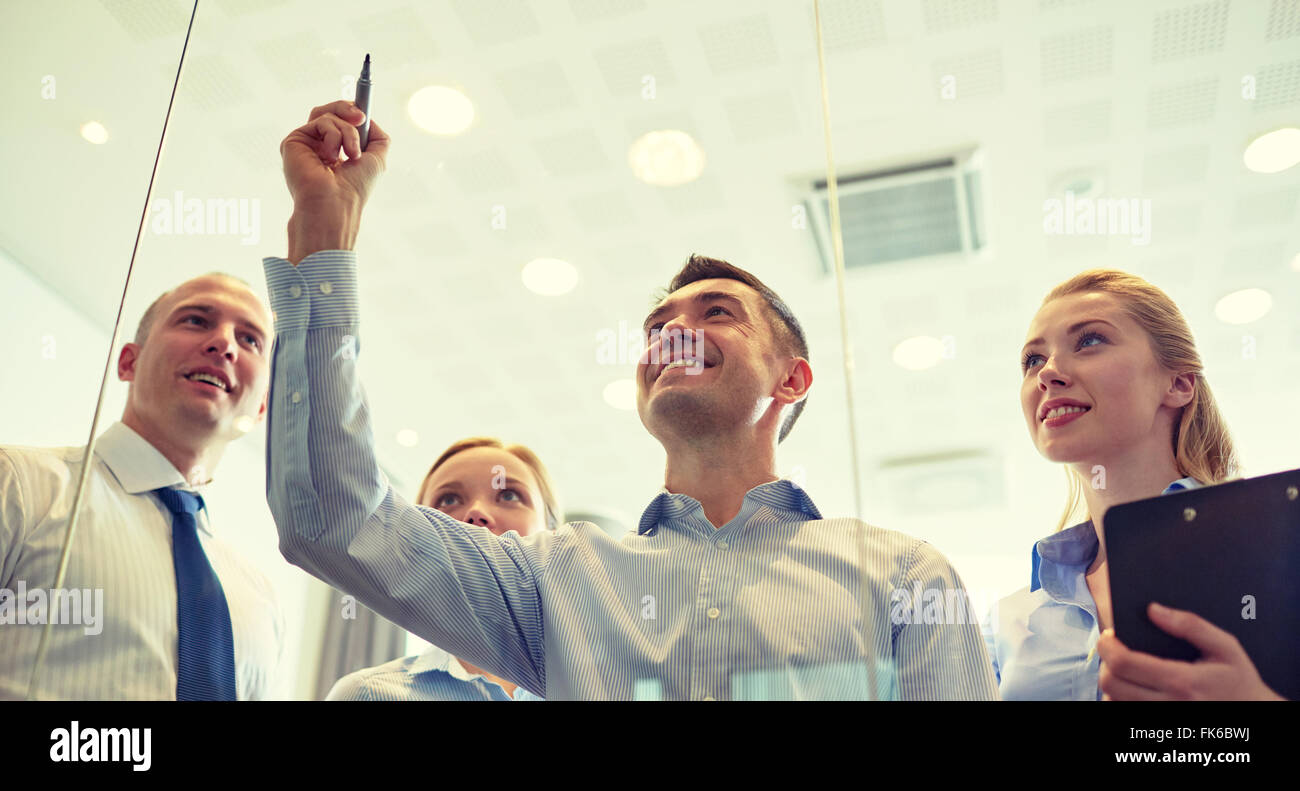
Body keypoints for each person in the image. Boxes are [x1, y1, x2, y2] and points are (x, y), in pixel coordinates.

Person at [263, 100, 997, 700]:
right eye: (657, 326)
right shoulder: (554, 579)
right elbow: (332, 517)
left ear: (792, 380)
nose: (677, 331)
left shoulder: (903, 578)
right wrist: (324, 233)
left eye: (717, 314)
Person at [984, 269, 1285, 701]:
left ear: (1178, 383)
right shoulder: (1009, 621)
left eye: (1089, 340)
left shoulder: (1276, 547)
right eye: (1033, 360)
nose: (1047, 373)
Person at [0, 272, 284, 700]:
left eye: (250, 340)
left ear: (261, 407)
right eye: (195, 321)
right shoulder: (19, 486)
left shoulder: (260, 598)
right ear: (129, 361)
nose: (224, 344)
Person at [326, 438, 553, 701]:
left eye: (509, 494)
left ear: (552, 535)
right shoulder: (366, 695)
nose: (476, 513)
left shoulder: (600, 686)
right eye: (448, 499)